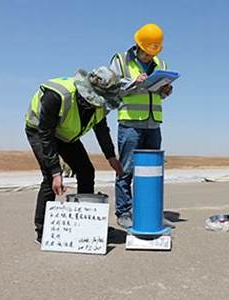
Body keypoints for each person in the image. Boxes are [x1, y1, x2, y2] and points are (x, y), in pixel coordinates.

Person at [25, 66, 124, 244]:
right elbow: (46, 134)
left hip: (65, 135)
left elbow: (101, 129)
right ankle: (43, 231)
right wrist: (56, 171)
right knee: (50, 178)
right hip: (41, 132)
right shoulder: (57, 96)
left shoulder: (100, 105)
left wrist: (111, 157)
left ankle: (84, 223)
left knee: (86, 171)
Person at [109, 23, 173, 229]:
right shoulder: (120, 60)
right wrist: (134, 83)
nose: (148, 56)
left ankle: (150, 212)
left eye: (152, 51)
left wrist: (166, 89)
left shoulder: (160, 63)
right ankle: (124, 212)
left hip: (153, 123)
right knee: (126, 169)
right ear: (138, 45)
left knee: (153, 170)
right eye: (146, 52)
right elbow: (112, 88)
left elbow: (162, 94)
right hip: (130, 123)